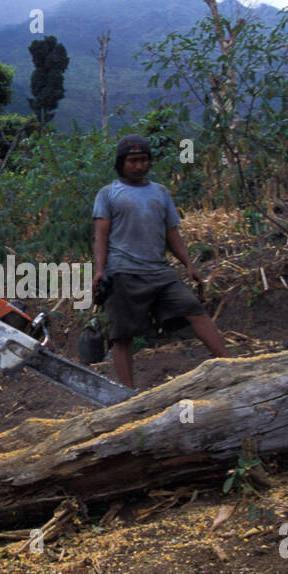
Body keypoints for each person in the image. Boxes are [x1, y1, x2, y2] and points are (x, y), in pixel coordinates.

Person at [92, 134, 230, 389]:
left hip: (159, 271)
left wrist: (189, 264)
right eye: (133, 160)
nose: (139, 166)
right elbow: (100, 235)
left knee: (195, 311)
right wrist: (99, 270)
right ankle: (129, 394)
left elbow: (171, 233)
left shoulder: (160, 192)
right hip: (122, 272)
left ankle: (230, 366)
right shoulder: (108, 194)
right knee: (121, 335)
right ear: (121, 163)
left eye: (144, 160)